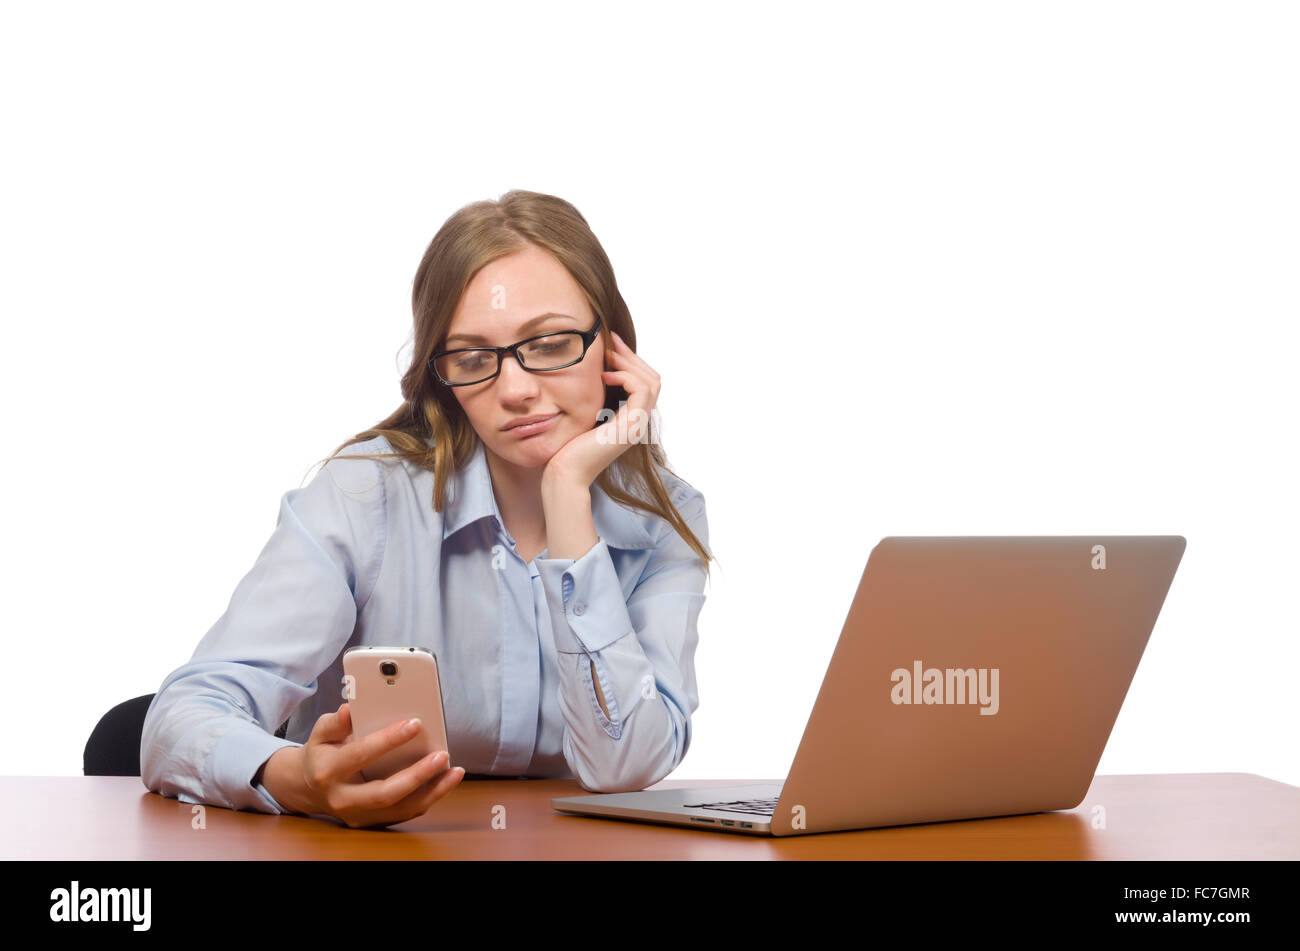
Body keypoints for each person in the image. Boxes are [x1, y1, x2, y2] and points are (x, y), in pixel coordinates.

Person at [139, 190, 714, 829]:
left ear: (613, 347)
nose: (517, 390)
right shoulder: (366, 496)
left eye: (550, 343)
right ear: (443, 375)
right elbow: (182, 716)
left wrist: (568, 495)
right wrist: (293, 778)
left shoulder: (664, 521)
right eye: (473, 359)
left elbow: (624, 766)